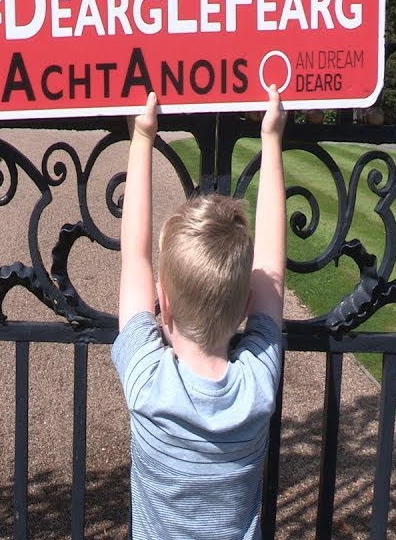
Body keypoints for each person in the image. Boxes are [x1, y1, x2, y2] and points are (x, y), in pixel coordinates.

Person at [112, 87, 287, 540]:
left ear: (161, 302)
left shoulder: (149, 384)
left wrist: (143, 136)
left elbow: (134, 258)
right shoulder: (256, 390)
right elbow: (272, 268)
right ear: (245, 305)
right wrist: (271, 138)